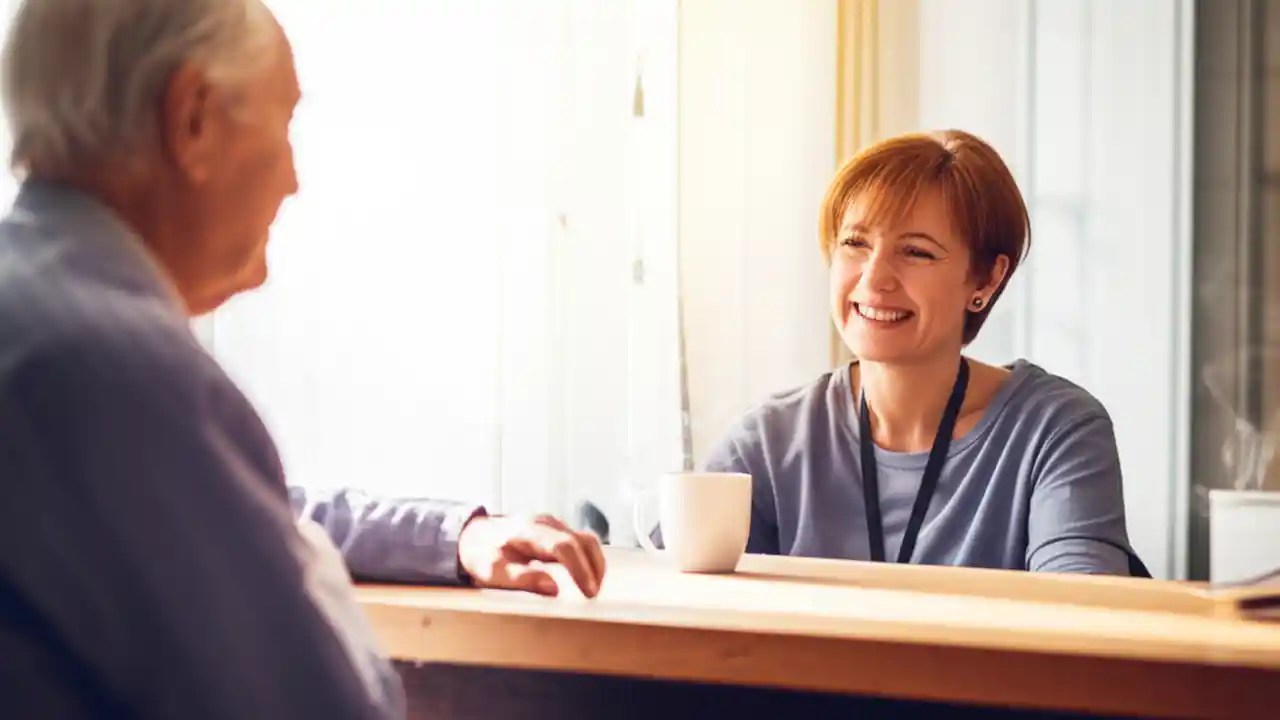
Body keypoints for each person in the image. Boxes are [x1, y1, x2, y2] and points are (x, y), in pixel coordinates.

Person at [0, 1, 603, 718]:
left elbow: (255, 506)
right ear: (191, 118)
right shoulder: (116, 372)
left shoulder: (41, 322)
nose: (293, 179)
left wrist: (457, 536)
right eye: (285, 124)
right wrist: (309, 563)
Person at [700, 130, 1140, 575]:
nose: (874, 280)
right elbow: (678, 605)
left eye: (915, 252)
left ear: (985, 280)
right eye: (855, 243)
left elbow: (1082, 616)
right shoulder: (770, 442)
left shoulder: (1053, 431)